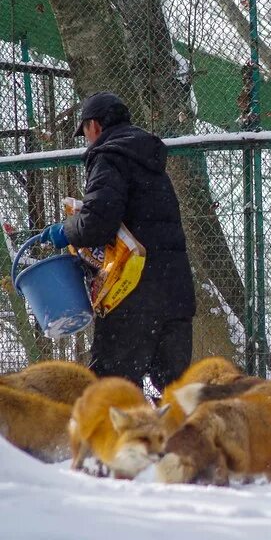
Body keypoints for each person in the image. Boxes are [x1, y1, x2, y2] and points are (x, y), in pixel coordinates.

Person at [37, 92, 196, 391]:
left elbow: (97, 223)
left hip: (132, 297)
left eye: (84, 130)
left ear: (94, 126)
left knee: (109, 393)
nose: (86, 139)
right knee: (177, 398)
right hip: (176, 297)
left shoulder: (109, 157)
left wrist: (66, 230)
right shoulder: (151, 162)